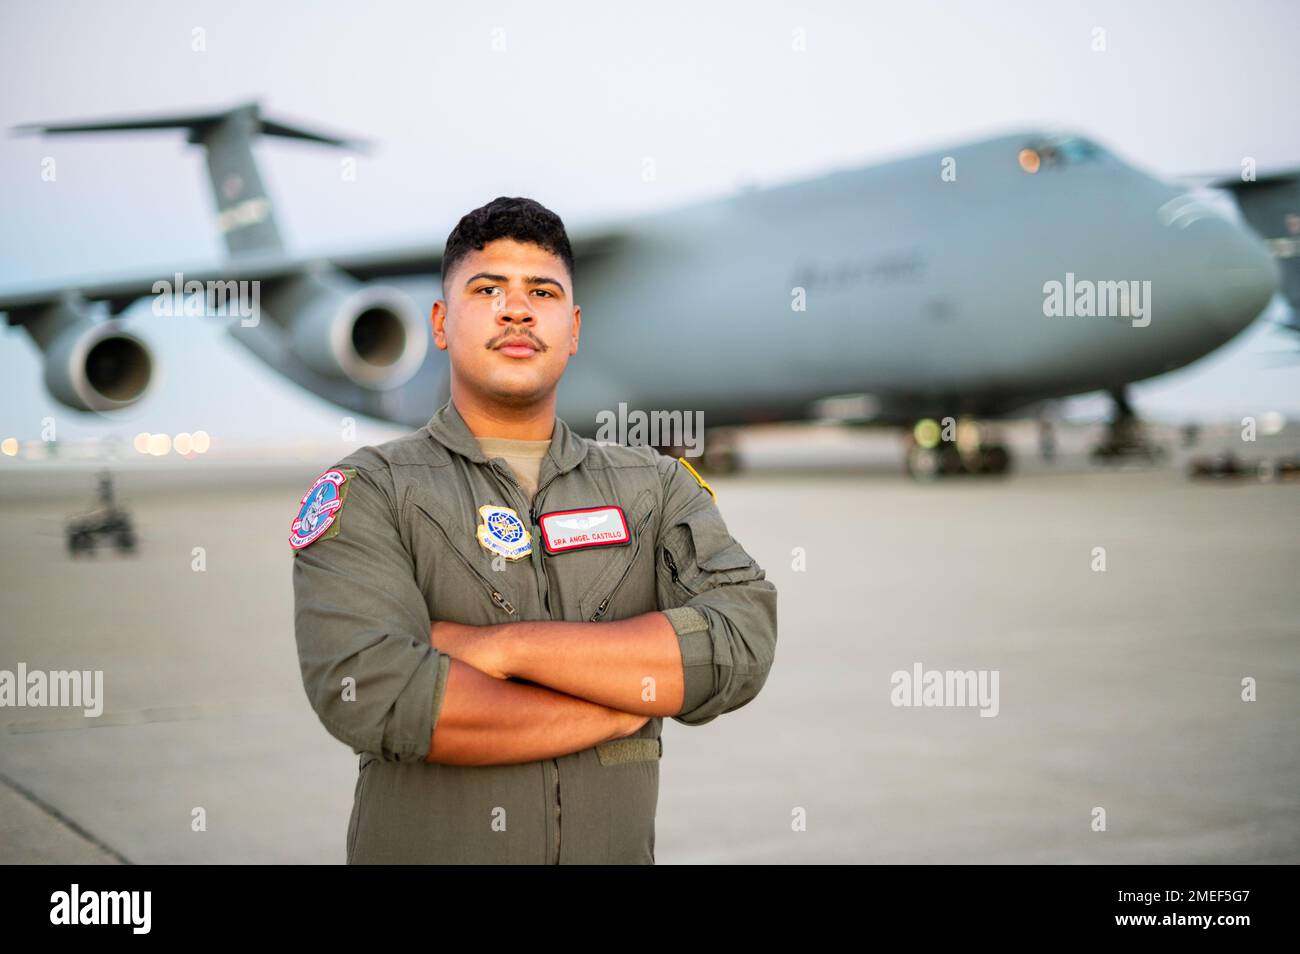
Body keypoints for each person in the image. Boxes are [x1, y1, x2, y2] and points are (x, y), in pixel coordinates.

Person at [290, 196, 778, 863]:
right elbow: (372, 694)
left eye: (542, 292)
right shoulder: (372, 492)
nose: (516, 309)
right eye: (487, 288)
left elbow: (742, 640)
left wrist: (509, 649)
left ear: (573, 328)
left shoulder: (652, 486)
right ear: (439, 322)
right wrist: (622, 704)